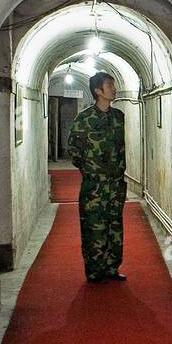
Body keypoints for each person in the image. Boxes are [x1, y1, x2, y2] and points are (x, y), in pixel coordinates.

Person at [67, 71, 127, 282]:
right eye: (109, 85)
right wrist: (91, 170)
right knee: (94, 228)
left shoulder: (119, 117)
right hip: (94, 187)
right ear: (97, 91)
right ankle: (94, 271)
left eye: (113, 84)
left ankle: (111, 268)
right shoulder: (84, 119)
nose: (113, 88)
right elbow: (74, 151)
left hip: (116, 186)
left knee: (115, 227)